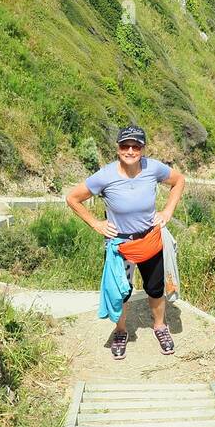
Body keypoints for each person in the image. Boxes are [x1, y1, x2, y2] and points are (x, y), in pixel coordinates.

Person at [66, 125, 186, 360]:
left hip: (151, 240)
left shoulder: (153, 168)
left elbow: (179, 180)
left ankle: (160, 326)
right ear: (118, 148)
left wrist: (168, 211)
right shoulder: (105, 176)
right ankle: (121, 331)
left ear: (142, 149)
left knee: (155, 288)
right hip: (121, 247)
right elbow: (73, 198)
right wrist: (96, 224)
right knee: (121, 292)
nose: (130, 150)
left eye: (136, 146)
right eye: (125, 145)